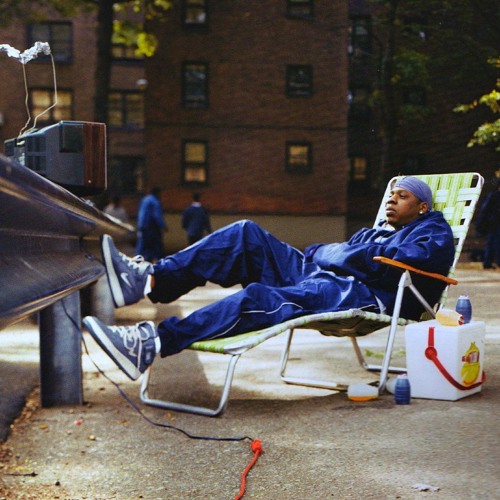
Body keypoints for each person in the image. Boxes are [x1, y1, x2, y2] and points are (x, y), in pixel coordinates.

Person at [83, 177, 455, 381]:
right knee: (244, 233)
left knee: (262, 298)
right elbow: (334, 253)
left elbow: (385, 263)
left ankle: (152, 343)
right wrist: (333, 254)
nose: (391, 200)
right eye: (390, 195)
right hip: (327, 277)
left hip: (359, 294)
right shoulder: (375, 232)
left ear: (422, 206)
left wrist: (333, 254)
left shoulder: (432, 231)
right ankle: (149, 280)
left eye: (402, 196)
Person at [135, 187, 167, 262]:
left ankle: (138, 260)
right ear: (157, 193)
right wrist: (163, 225)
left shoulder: (144, 200)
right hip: (151, 227)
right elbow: (156, 215)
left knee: (143, 245)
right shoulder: (155, 201)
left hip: (142, 226)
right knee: (156, 245)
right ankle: (160, 261)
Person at [475, 177, 500, 269]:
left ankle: (488, 262)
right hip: (494, 223)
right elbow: (485, 210)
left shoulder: (492, 195)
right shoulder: (494, 195)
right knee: (494, 242)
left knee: (492, 242)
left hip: (493, 223)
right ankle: (490, 262)